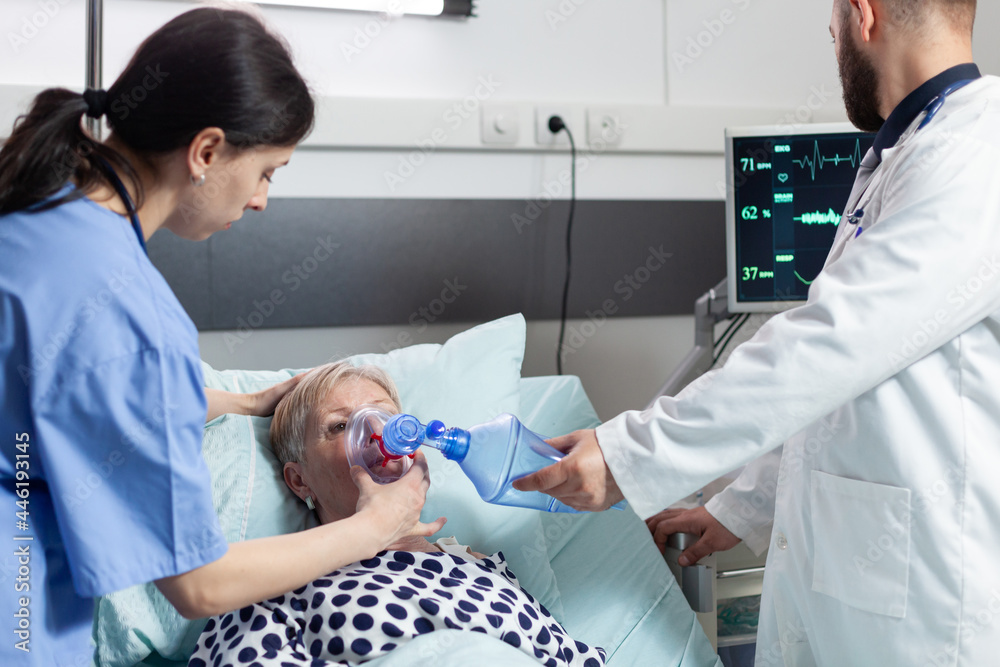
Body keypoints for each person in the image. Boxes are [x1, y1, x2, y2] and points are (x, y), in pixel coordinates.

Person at [515, 0, 1000, 664]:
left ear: (863, 15)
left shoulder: (977, 155)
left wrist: (630, 454)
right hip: (855, 582)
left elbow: (827, 345)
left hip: (925, 608)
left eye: (832, 22)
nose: (831, 36)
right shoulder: (908, 153)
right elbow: (838, 392)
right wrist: (738, 508)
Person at [0, 9, 442, 665]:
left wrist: (240, 402)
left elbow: (66, 389)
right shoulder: (131, 314)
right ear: (206, 151)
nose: (262, 199)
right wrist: (378, 524)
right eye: (267, 171)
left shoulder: (34, 212)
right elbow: (199, 584)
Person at [185, 361, 606, 666]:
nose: (377, 432)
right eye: (339, 426)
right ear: (300, 481)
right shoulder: (275, 584)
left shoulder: (481, 567)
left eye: (387, 415)